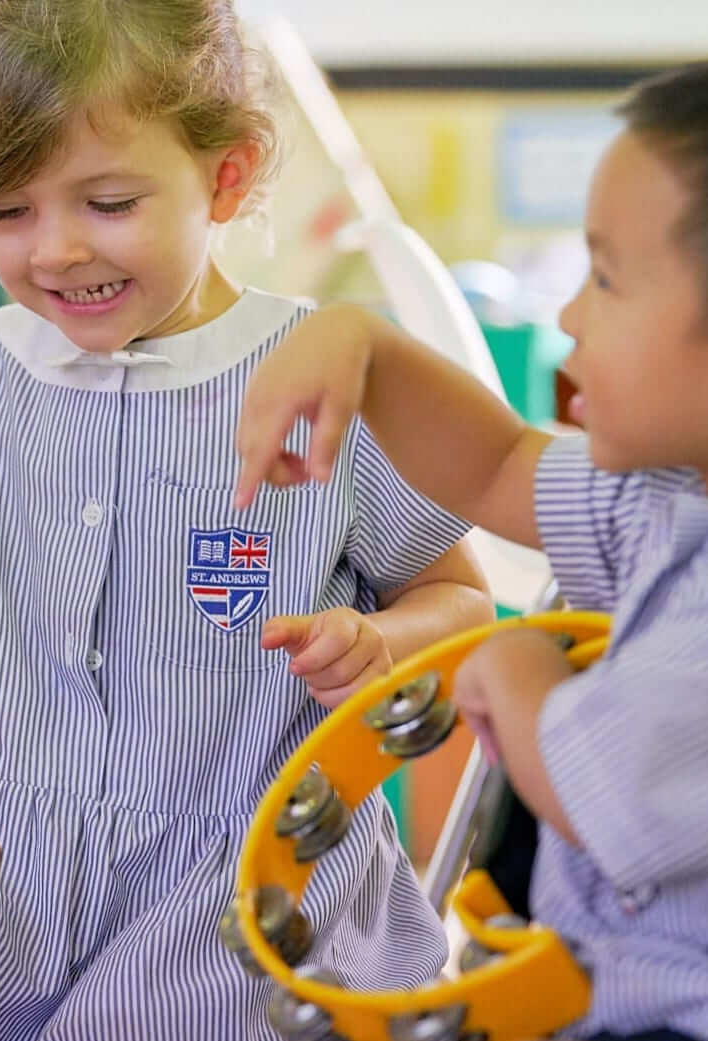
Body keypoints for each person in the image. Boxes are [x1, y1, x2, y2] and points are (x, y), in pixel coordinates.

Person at [0, 2, 493, 1038]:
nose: (57, 251)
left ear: (228, 176)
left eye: (107, 202)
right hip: (1, 898)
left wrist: (383, 639)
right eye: (7, 212)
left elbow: (465, 598)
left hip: (245, 904)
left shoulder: (322, 374)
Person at [235, 62, 708, 1041]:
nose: (570, 314)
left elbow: (588, 790)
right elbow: (494, 464)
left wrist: (512, 670)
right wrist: (362, 346)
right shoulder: (664, 500)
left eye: (606, 279)